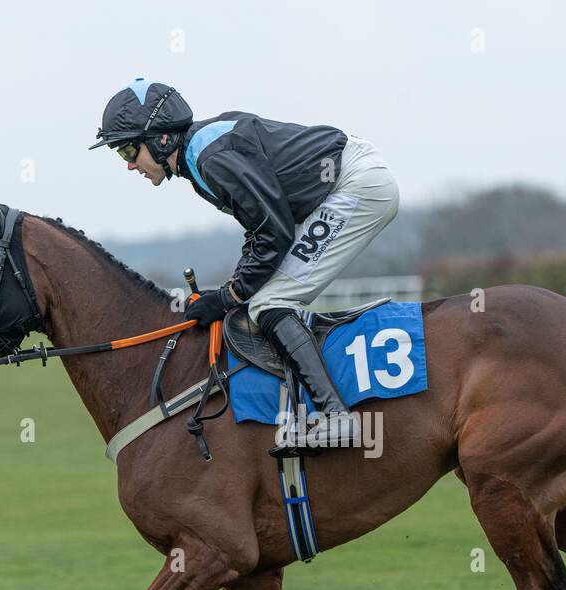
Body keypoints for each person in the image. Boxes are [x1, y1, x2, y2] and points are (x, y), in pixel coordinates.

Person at [90, 79, 399, 455]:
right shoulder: (198, 158)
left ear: (162, 139)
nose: (127, 164)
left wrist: (227, 296)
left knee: (269, 304)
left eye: (127, 148)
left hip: (355, 185)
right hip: (339, 184)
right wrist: (231, 290)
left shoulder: (210, 158)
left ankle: (336, 418)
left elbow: (274, 232)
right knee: (259, 298)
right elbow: (260, 232)